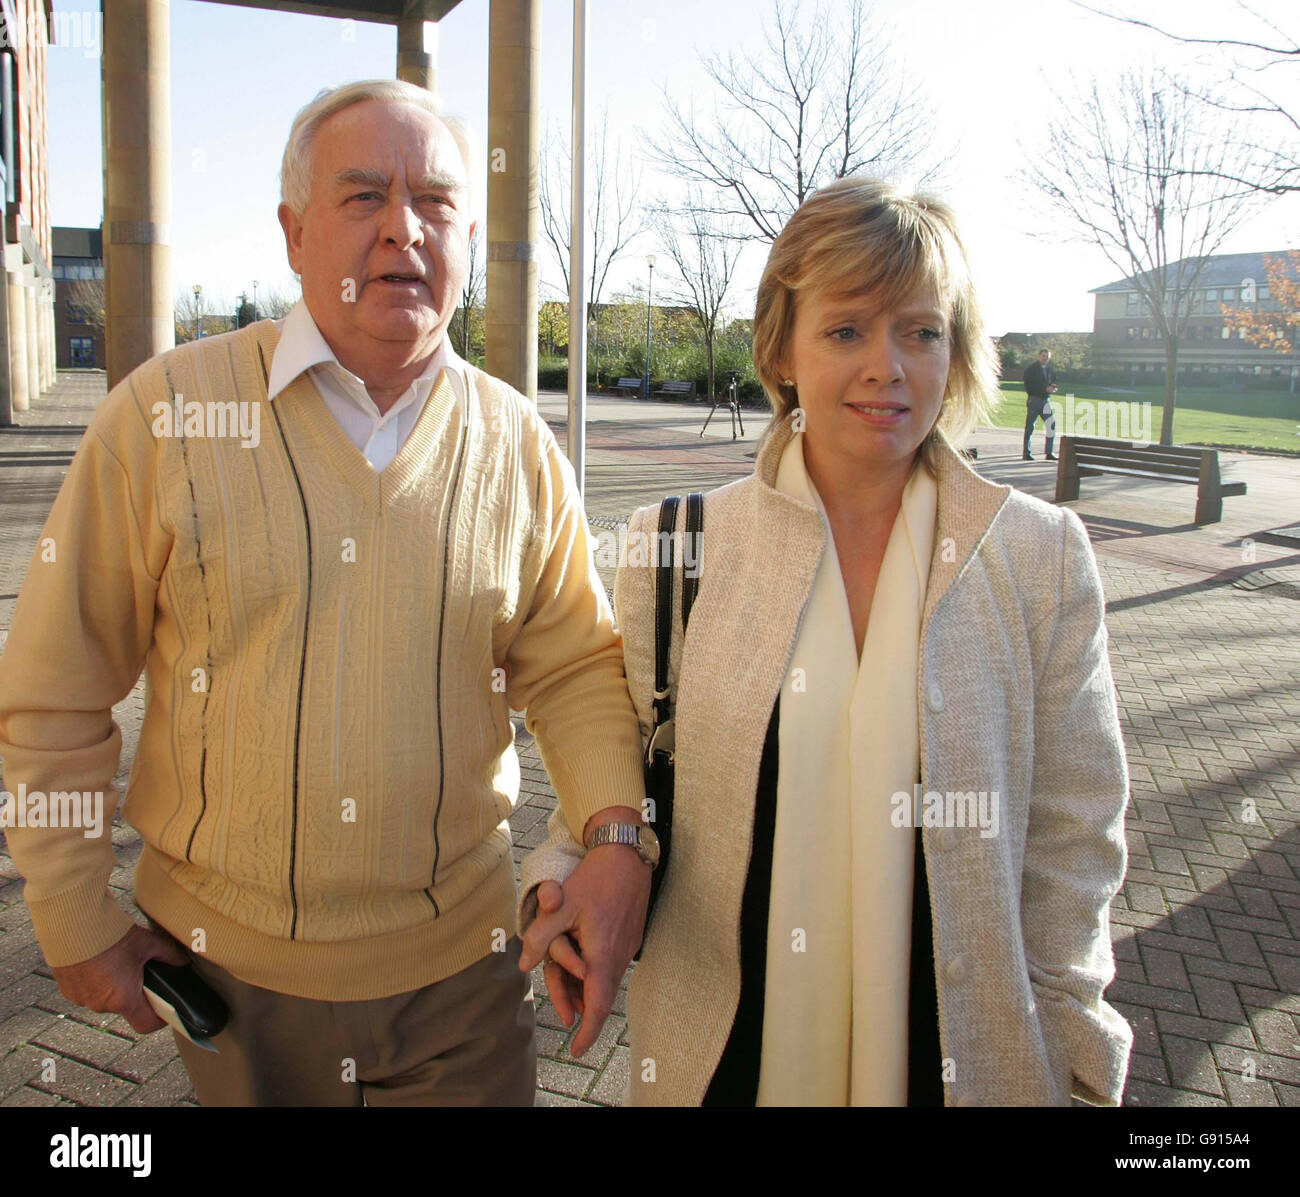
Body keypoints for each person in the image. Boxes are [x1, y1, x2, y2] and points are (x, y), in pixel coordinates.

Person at [0, 79, 651, 1106]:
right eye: (362, 198)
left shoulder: (516, 444)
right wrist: (74, 917)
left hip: (469, 981)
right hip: (226, 984)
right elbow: (55, 687)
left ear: (466, 237)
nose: (404, 228)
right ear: (294, 232)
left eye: (435, 201)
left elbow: (572, 666)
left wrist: (616, 839)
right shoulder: (163, 416)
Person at [521, 177, 1133, 1107]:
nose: (888, 365)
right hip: (728, 1059)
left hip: (968, 1064)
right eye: (848, 329)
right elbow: (619, 785)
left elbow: (1074, 834)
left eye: (921, 331)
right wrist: (564, 892)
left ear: (957, 350)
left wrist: (1074, 1042)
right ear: (783, 349)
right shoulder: (674, 545)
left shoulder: (1039, 558)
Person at [1022, 347, 1058, 460]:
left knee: (1051, 424)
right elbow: (1029, 387)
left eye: (1047, 357)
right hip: (1034, 400)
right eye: (1043, 356)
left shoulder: (1049, 369)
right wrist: (1045, 389)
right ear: (1039, 356)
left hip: (1046, 401)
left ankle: (1049, 452)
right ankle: (1026, 453)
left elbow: (1054, 381)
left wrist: (1053, 387)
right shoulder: (1031, 369)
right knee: (1030, 427)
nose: (1045, 358)